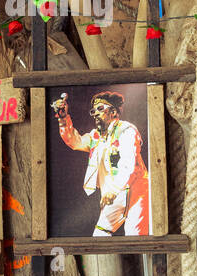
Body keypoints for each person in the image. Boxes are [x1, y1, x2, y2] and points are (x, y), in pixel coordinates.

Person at [52, 90, 149, 236]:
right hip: (115, 195)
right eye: (94, 111)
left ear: (113, 112)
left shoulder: (126, 130)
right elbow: (75, 141)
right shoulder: (96, 137)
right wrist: (63, 118)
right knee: (130, 237)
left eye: (100, 109)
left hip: (134, 191)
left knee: (122, 236)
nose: (96, 113)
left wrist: (113, 191)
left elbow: (128, 164)